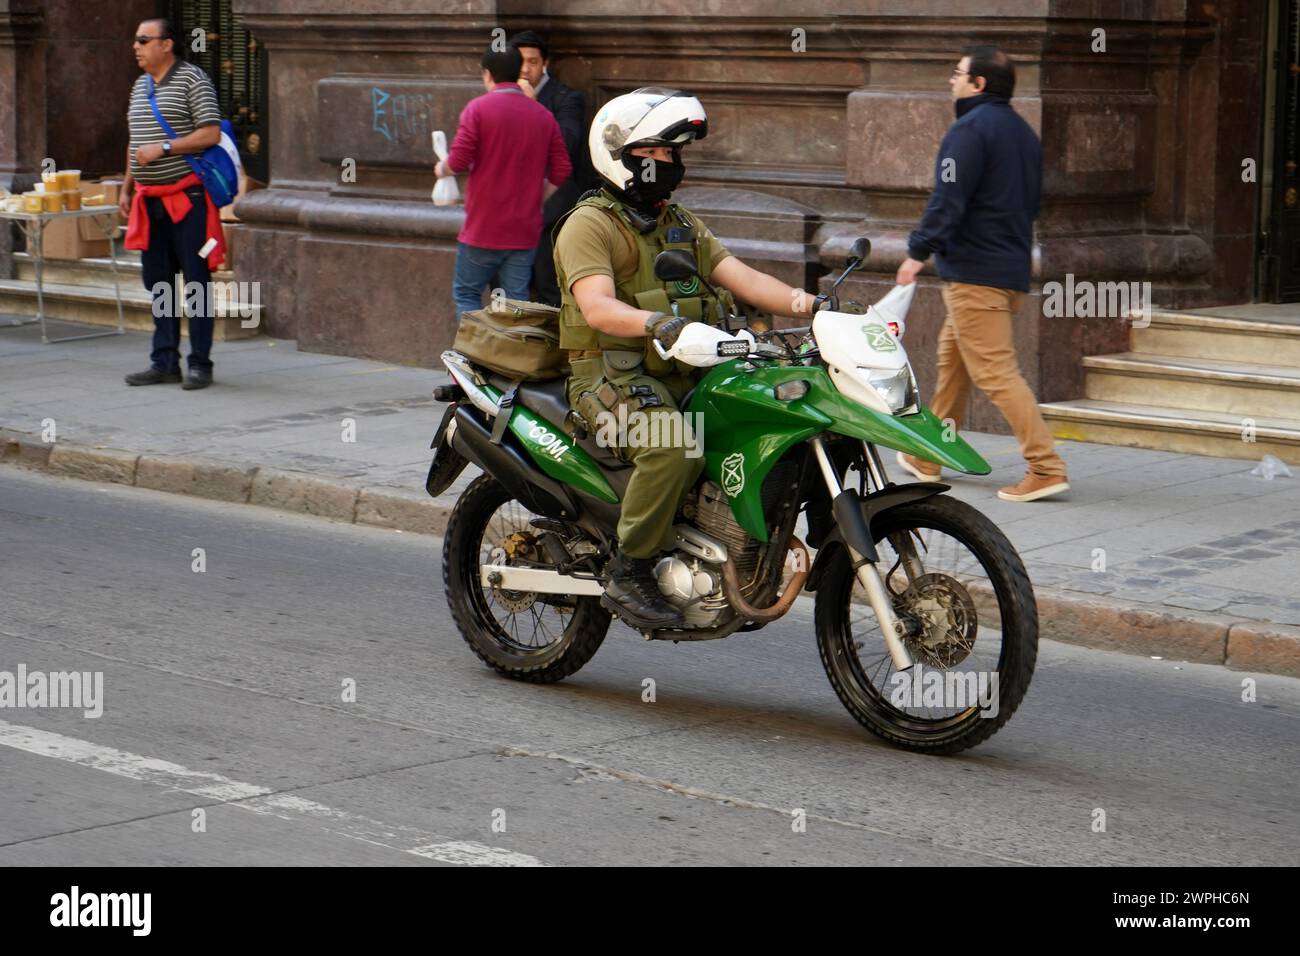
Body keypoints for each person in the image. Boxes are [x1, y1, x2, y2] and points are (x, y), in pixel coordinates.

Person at [554, 88, 817, 630]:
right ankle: (630, 568)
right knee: (674, 447)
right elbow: (598, 307)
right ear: (625, 154)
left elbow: (742, 278)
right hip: (608, 380)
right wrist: (659, 322)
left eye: (674, 155)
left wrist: (815, 306)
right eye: (662, 154)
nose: (672, 165)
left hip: (682, 371)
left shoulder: (678, 222)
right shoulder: (590, 225)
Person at [895, 45, 1069, 502]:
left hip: (975, 274)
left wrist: (917, 252)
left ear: (979, 84)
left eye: (957, 74)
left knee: (996, 373)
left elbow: (949, 199)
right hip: (1008, 270)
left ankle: (1045, 466)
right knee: (952, 362)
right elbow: (1030, 205)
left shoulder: (969, 130)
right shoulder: (1024, 135)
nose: (951, 81)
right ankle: (927, 452)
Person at [121, 17, 225, 390]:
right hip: (149, 202)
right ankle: (164, 361)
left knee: (196, 282)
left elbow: (210, 133)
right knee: (159, 284)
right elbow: (135, 141)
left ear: (166, 44)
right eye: (136, 40)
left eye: (143, 40)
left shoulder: (193, 79)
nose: (136, 46)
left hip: (188, 199)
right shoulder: (139, 86)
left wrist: (165, 147)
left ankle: (200, 363)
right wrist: (127, 186)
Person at [436, 45, 571, 317]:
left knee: (467, 293)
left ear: (488, 75)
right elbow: (562, 167)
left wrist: (442, 169)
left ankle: (472, 356)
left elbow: (459, 160)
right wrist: (539, 198)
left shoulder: (478, 108)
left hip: (483, 226)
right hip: (524, 228)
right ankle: (511, 358)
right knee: (516, 301)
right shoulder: (542, 115)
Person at [510, 30, 588, 306]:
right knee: (508, 292)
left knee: (549, 288)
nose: (524, 68)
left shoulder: (566, 98)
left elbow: (567, 144)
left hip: (551, 212)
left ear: (545, 64)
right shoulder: (500, 98)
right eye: (519, 61)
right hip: (510, 211)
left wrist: (531, 108)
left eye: (532, 61)